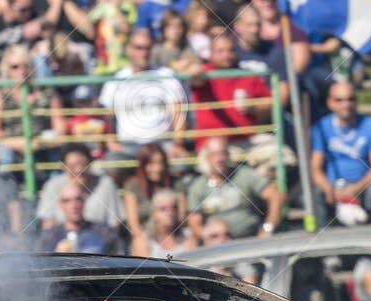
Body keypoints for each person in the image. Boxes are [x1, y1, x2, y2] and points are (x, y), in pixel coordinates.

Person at [310, 81, 371, 225]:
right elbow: (315, 168)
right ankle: (321, 241)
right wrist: (329, 189)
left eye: (350, 99)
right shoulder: (321, 128)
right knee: (314, 196)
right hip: (333, 186)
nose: (346, 104)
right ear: (330, 103)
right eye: (339, 100)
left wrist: (356, 189)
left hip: (363, 186)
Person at [100, 27, 190, 156]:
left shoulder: (166, 76)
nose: (144, 53)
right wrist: (111, 143)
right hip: (127, 145)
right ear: (128, 50)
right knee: (113, 163)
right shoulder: (115, 81)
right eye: (139, 48)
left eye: (147, 48)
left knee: (181, 163)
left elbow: (178, 115)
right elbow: (105, 116)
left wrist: (177, 145)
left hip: (162, 144)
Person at [185, 136, 282, 241]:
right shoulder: (198, 186)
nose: (219, 159)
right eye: (214, 154)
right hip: (216, 246)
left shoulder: (244, 175)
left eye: (223, 153)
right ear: (206, 158)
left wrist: (268, 228)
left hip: (249, 239)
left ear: (228, 155)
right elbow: (194, 221)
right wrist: (208, 236)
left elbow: (276, 196)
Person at [188, 31, 271, 144]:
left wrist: (253, 107)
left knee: (284, 155)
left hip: (248, 140)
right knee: (217, 151)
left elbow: (269, 102)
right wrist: (195, 70)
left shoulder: (248, 75)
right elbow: (195, 78)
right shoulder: (205, 74)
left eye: (231, 50)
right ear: (211, 53)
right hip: (213, 144)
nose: (227, 55)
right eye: (221, 51)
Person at [35, 144, 126, 231]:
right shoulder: (53, 186)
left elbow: (115, 224)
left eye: (83, 164)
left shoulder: (106, 184)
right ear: (64, 167)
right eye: (72, 166)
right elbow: (47, 224)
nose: (79, 170)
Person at [39, 181, 120, 254]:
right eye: (67, 201)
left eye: (78, 199)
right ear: (61, 205)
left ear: (84, 201)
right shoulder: (49, 238)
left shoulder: (105, 233)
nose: (73, 205)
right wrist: (57, 257)